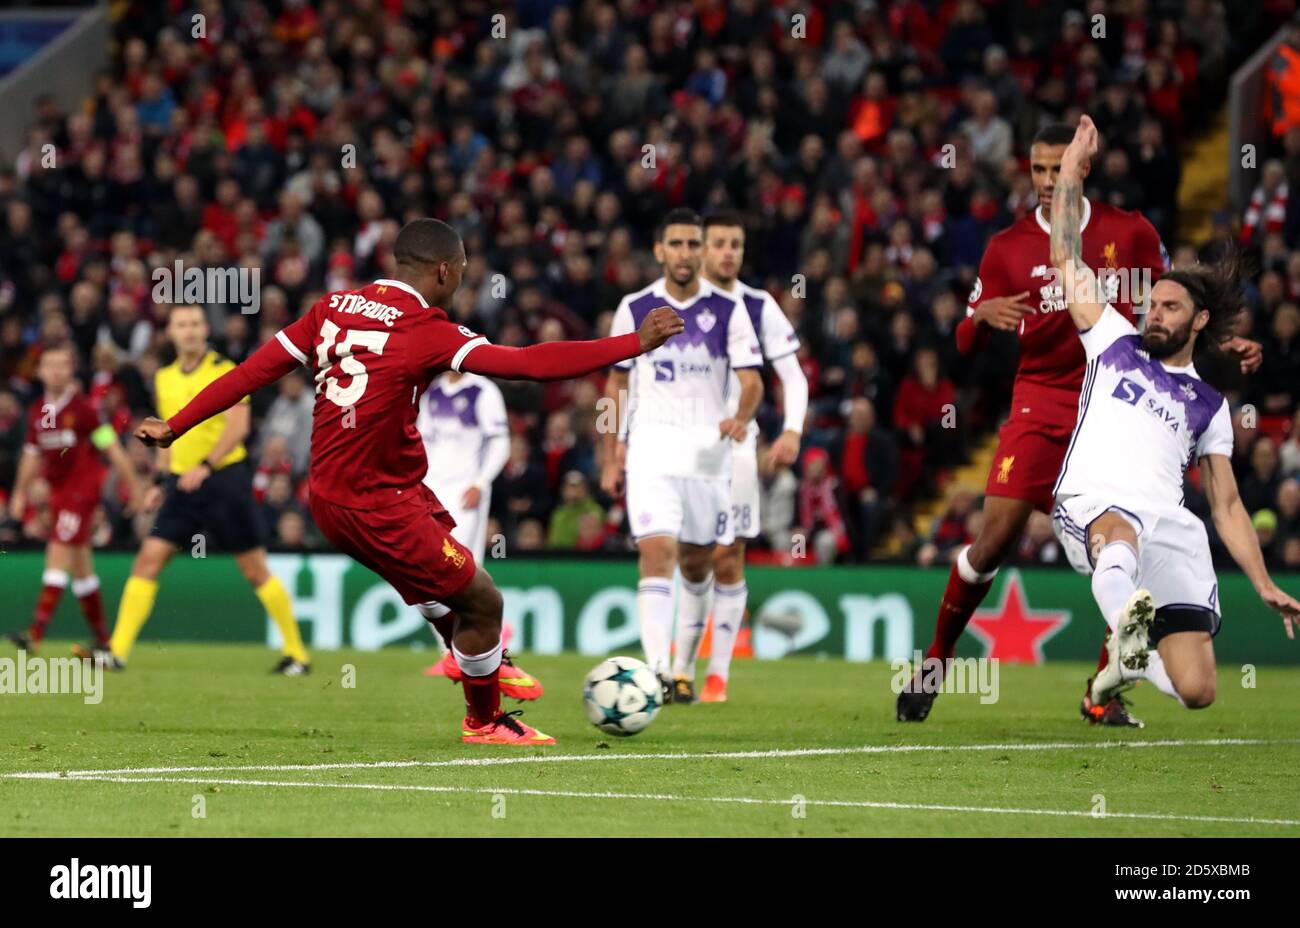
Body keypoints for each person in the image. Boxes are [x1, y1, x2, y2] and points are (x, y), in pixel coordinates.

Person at [136, 218, 683, 746]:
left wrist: (176, 425)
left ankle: (473, 660)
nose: (464, 279)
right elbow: (526, 363)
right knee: (485, 603)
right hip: (370, 503)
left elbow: (251, 371)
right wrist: (632, 344)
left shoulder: (331, 309)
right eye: (464, 270)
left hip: (371, 488)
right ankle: (485, 720)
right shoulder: (425, 330)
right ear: (444, 271)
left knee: (446, 594)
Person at [898, 123, 1262, 727]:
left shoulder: (1132, 232)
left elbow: (1175, 303)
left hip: (1123, 405)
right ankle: (937, 660)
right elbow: (961, 339)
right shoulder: (1007, 248)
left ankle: (1104, 690)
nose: (1044, 182)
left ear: (1077, 167)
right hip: (1043, 403)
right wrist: (979, 316)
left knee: (1127, 538)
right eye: (1036, 170)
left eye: (1053, 169)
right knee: (993, 540)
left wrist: (1224, 339)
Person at [1046, 116, 1298, 713]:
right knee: (1119, 534)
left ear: (1199, 320)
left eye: (1168, 306)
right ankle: (1128, 636)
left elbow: (1228, 504)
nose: (1152, 313)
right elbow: (1063, 253)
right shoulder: (1111, 338)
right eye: (1150, 302)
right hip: (1095, 503)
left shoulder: (1209, 405)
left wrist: (1263, 584)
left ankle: (1114, 675)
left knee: (1198, 692)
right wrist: (1071, 175)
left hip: (1166, 527)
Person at [91, 305, 312, 675]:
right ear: (171, 333)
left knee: (256, 570)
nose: (190, 331)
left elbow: (238, 427)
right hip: (181, 484)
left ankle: (297, 655)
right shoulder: (164, 378)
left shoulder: (223, 371)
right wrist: (160, 482)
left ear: (205, 329)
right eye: (182, 325)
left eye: (195, 324)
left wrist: (206, 467)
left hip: (224, 480)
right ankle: (116, 652)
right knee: (148, 560)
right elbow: (168, 440)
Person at [601, 209, 763, 704]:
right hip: (651, 450)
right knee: (656, 551)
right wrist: (612, 455)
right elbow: (616, 384)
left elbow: (753, 380)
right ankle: (654, 673)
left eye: (694, 244)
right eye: (676, 244)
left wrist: (742, 415)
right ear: (659, 250)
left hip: (708, 457)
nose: (686, 253)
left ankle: (682, 670)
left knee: (698, 565)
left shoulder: (729, 309)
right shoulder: (635, 307)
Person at [694, 209, 809, 703]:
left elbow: (794, 377)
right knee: (684, 554)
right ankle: (676, 666)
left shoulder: (760, 305)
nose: (727, 253)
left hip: (738, 443)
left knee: (728, 552)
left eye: (735, 244)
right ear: (699, 248)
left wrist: (792, 431)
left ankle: (716, 674)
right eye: (718, 243)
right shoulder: (671, 304)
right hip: (682, 446)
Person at [6, 344, 143, 654]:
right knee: (81, 568)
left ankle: (35, 633)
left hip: (80, 494)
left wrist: (133, 488)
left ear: (70, 370)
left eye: (61, 365)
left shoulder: (84, 410)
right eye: (49, 365)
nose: (55, 371)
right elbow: (31, 456)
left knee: (58, 554)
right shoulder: (38, 410)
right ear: (40, 372)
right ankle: (104, 641)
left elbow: (113, 450)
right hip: (58, 495)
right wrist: (19, 494)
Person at [415, 368, 532, 690]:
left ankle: (478, 644)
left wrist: (481, 482)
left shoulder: (483, 391)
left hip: (466, 493)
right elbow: (422, 440)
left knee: (461, 569)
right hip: (433, 491)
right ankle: (451, 653)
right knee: (429, 570)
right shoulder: (432, 391)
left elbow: (500, 443)